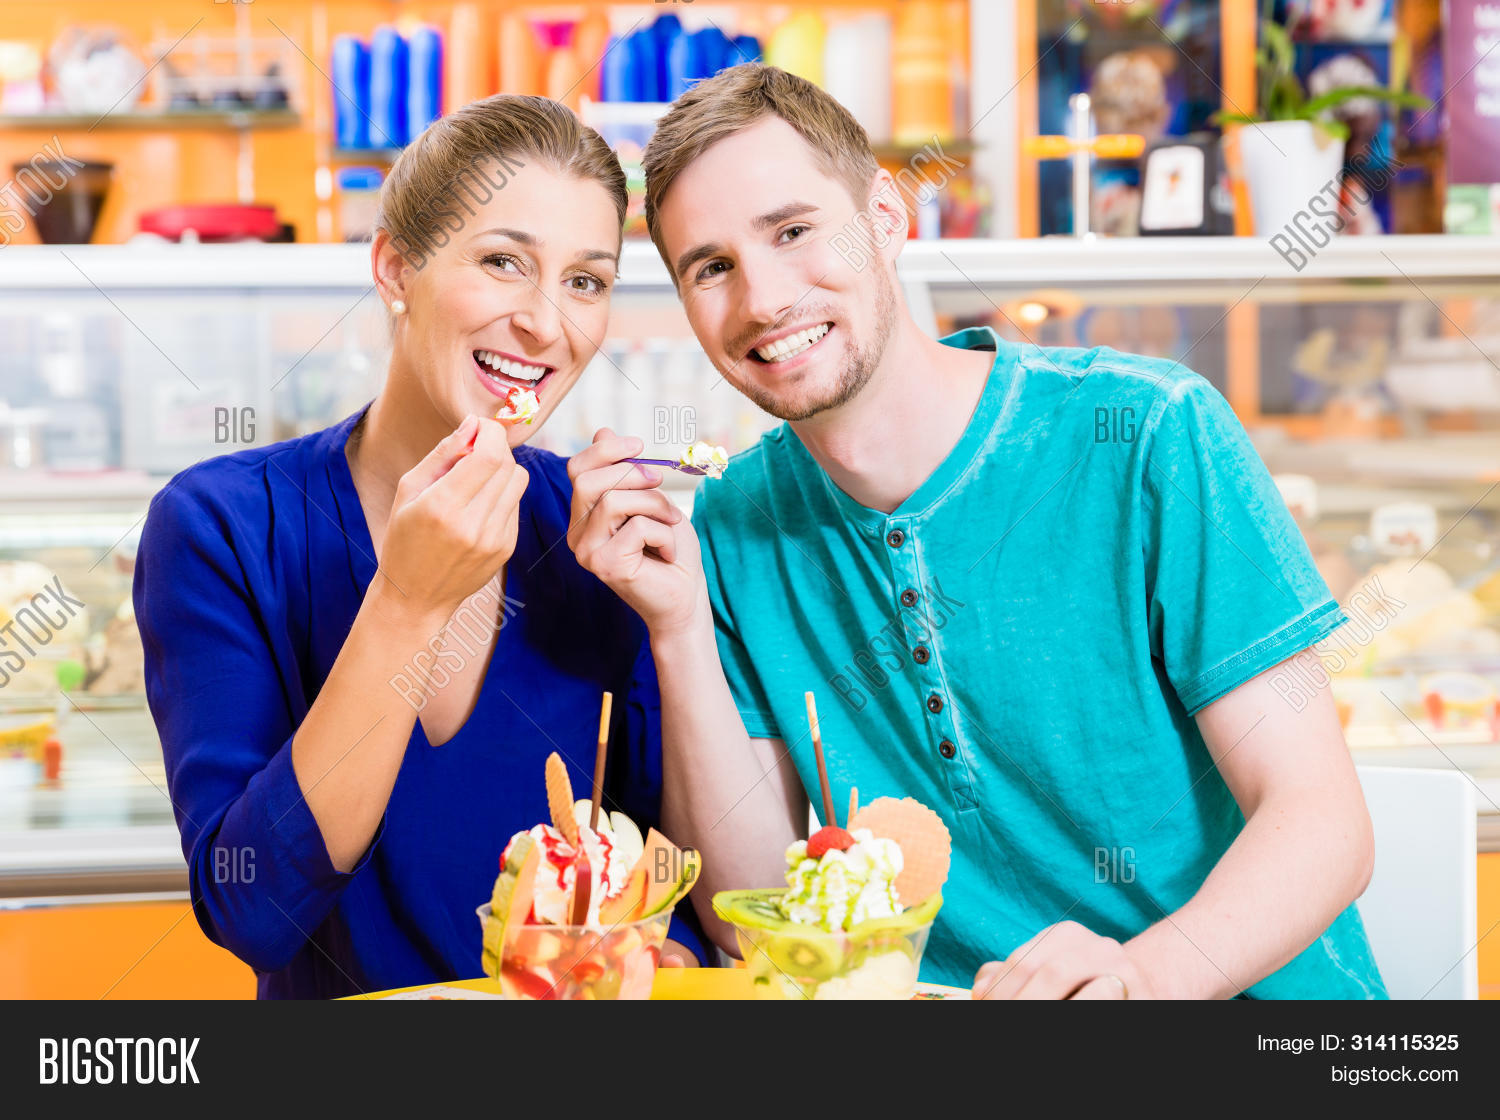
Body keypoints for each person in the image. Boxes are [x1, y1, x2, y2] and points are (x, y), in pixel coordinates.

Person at [566, 64, 1385, 998]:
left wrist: (1135, 980)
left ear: (885, 218)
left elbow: (1323, 823)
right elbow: (749, 914)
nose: (762, 301)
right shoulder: (735, 525)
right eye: (711, 268)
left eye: (794, 232)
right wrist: (676, 630)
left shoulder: (1149, 432)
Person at [135, 95, 703, 999]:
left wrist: (667, 946)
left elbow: (682, 895)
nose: (546, 324)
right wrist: (407, 602)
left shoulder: (600, 543)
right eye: (503, 262)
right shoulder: (224, 526)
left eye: (586, 281)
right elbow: (253, 909)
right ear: (396, 265)